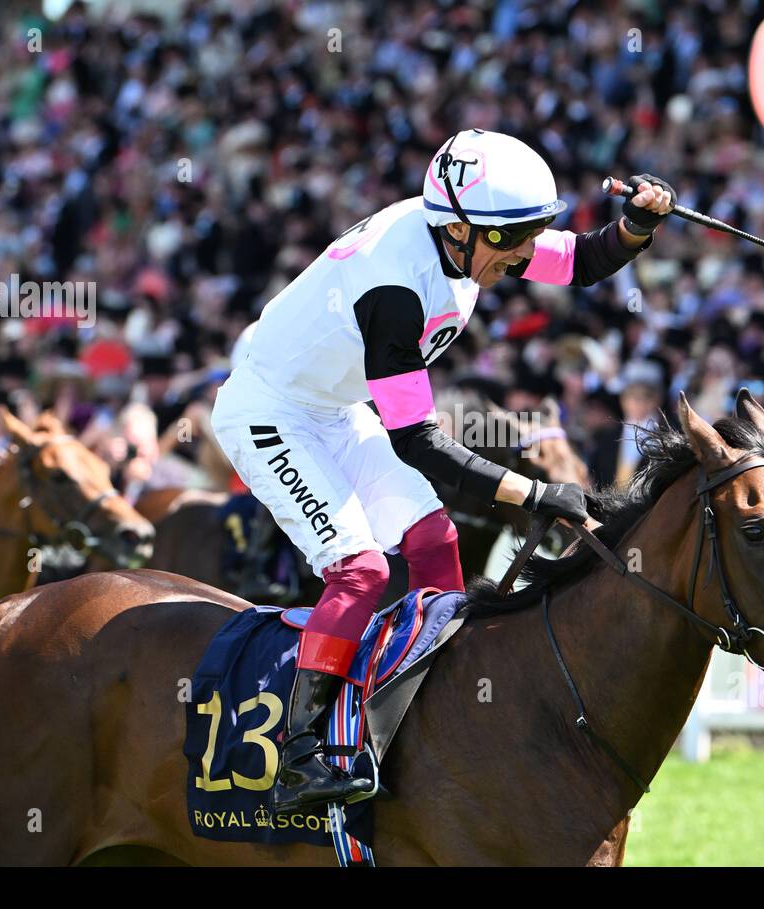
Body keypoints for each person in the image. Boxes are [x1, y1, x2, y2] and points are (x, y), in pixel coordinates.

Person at [212, 129, 676, 811]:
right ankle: (299, 755)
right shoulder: (397, 284)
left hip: (336, 409)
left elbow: (578, 260)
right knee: (361, 571)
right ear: (458, 228)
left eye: (528, 237)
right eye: (513, 242)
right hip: (272, 414)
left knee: (435, 541)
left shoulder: (470, 233)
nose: (522, 257)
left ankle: (442, 710)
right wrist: (537, 492)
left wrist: (636, 226)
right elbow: (420, 444)